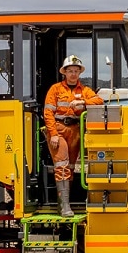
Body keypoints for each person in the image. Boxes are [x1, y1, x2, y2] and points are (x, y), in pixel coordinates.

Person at [43, 55, 103, 217]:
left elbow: (99, 101)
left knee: (70, 167)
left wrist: (83, 103)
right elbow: (48, 112)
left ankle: (64, 202)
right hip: (58, 129)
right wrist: (53, 134)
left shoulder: (84, 91)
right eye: (70, 71)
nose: (73, 74)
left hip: (75, 130)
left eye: (76, 71)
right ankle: (65, 207)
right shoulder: (55, 89)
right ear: (65, 73)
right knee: (62, 164)